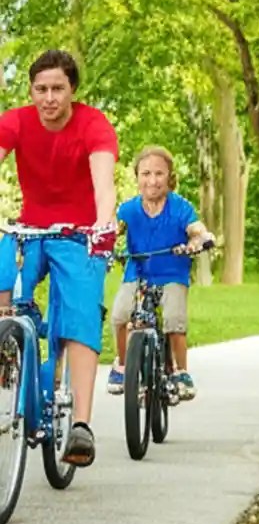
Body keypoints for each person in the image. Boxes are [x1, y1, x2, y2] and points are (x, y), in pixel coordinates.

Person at [0, 49, 119, 466]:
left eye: (57, 89)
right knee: (1, 268)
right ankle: (8, 343)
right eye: (41, 88)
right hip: (29, 229)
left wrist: (103, 227)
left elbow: (104, 185)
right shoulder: (15, 121)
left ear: (72, 91)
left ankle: (82, 426)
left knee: (82, 313)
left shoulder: (94, 125)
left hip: (79, 234)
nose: (48, 97)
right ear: (31, 89)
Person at [106, 146, 215, 400]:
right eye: (145, 174)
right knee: (120, 315)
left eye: (159, 174)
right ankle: (122, 364)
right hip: (137, 272)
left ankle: (180, 372)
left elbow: (196, 229)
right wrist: (104, 243)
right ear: (137, 178)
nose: (152, 180)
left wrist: (200, 239)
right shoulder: (130, 209)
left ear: (169, 177)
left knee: (174, 319)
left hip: (171, 273)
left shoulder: (179, 208)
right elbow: (113, 230)